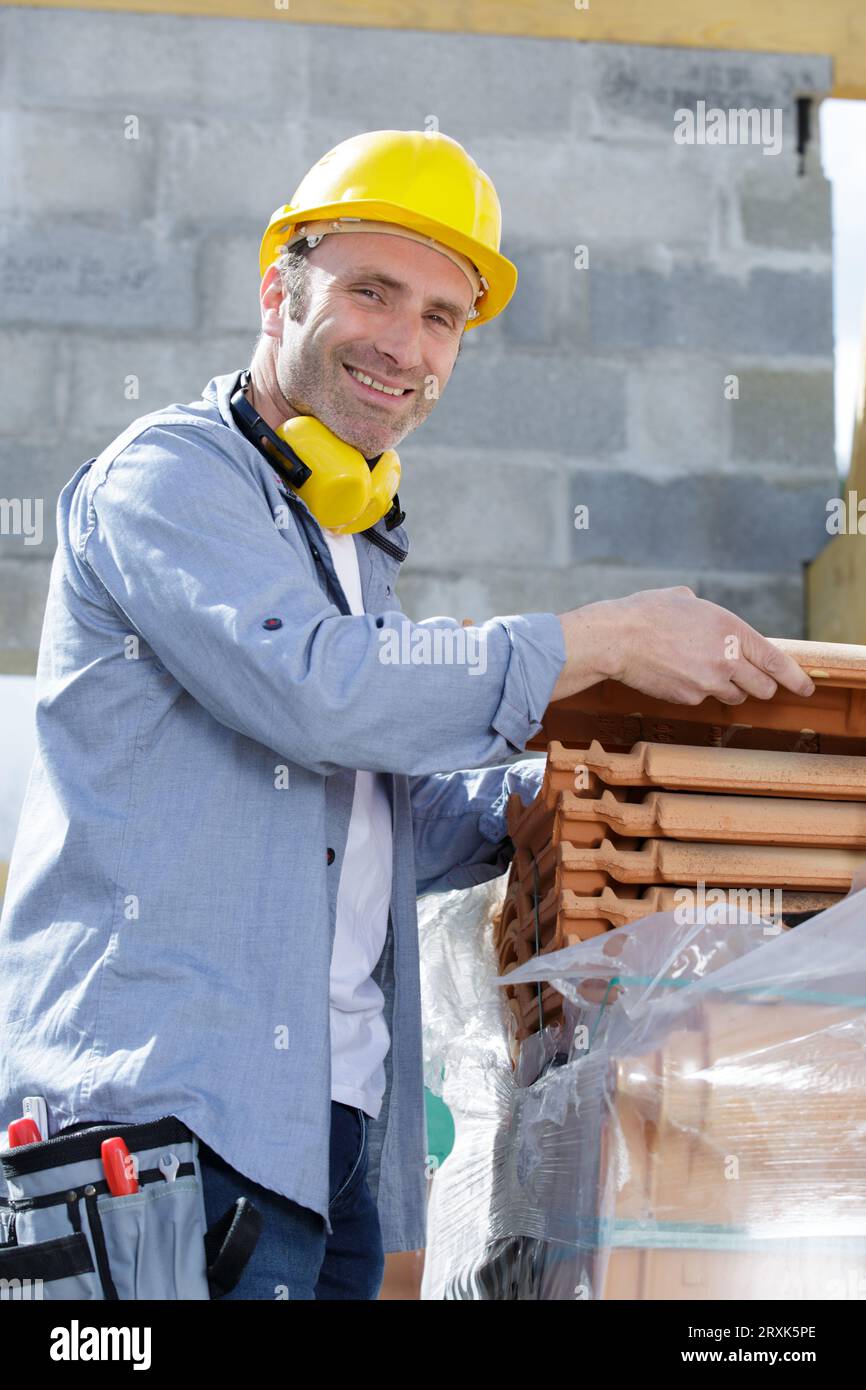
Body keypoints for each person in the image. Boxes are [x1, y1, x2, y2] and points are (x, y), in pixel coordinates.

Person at [0, 129, 814, 1301]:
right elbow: (319, 689)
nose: (404, 342)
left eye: (441, 317)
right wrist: (594, 639)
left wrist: (599, 791)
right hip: (159, 1133)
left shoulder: (350, 545)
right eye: (372, 292)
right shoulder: (169, 480)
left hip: (322, 1142)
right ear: (280, 287)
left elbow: (381, 827)